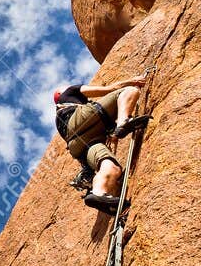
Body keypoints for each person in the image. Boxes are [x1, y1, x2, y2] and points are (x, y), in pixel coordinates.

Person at [53, 73, 148, 213]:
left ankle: (98, 193)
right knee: (129, 91)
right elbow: (109, 89)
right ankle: (124, 121)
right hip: (81, 122)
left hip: (79, 145)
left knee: (111, 167)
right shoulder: (70, 91)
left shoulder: (59, 118)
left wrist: (112, 133)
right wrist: (131, 81)